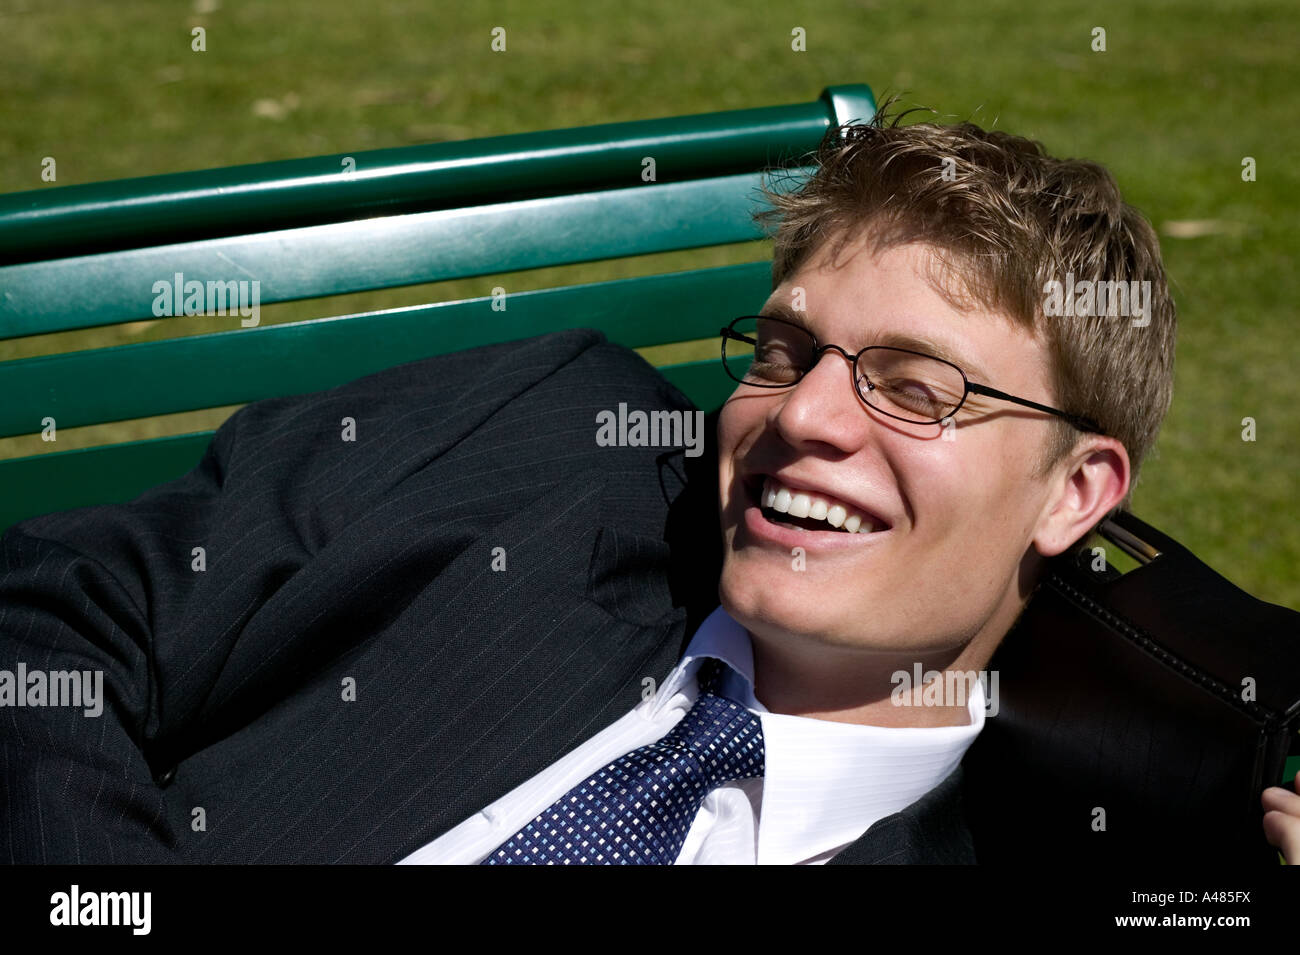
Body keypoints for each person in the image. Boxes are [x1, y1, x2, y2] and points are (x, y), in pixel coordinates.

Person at [2, 104, 1296, 865]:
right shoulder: (542, 446)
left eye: (916, 385)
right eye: (786, 350)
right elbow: (54, 612)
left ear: (1078, 493)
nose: (804, 416)